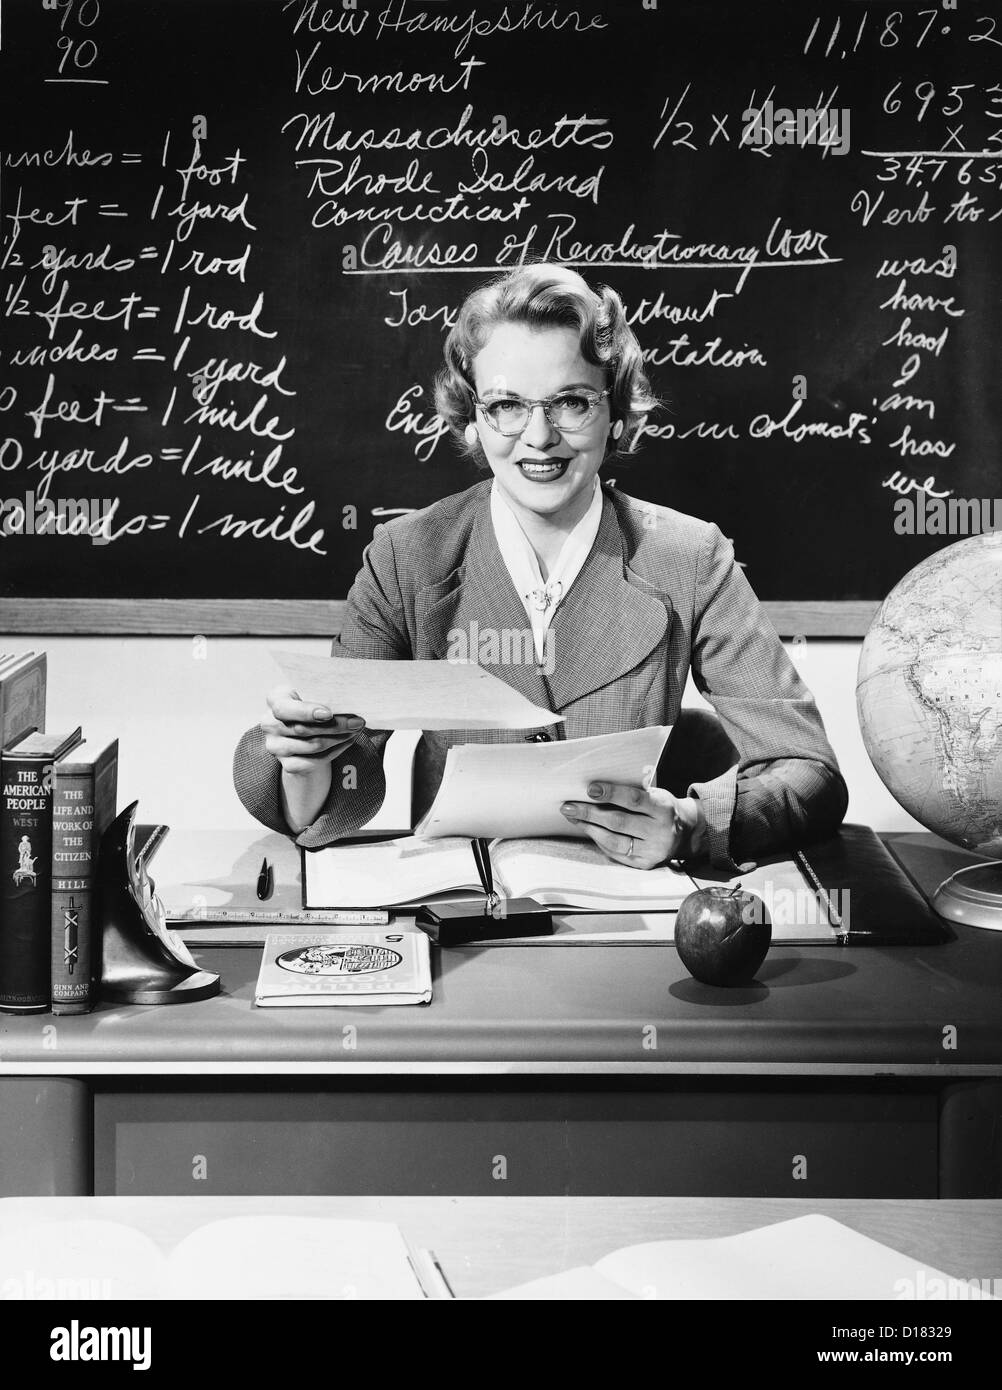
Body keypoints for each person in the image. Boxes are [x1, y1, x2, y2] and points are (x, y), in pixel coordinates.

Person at [234, 264, 847, 870]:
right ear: (472, 415)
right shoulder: (406, 556)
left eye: (572, 403)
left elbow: (809, 771)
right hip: (459, 914)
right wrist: (306, 765)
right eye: (505, 405)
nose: (538, 436)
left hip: (625, 918)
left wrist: (692, 824)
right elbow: (343, 770)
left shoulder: (691, 556)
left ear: (616, 410)